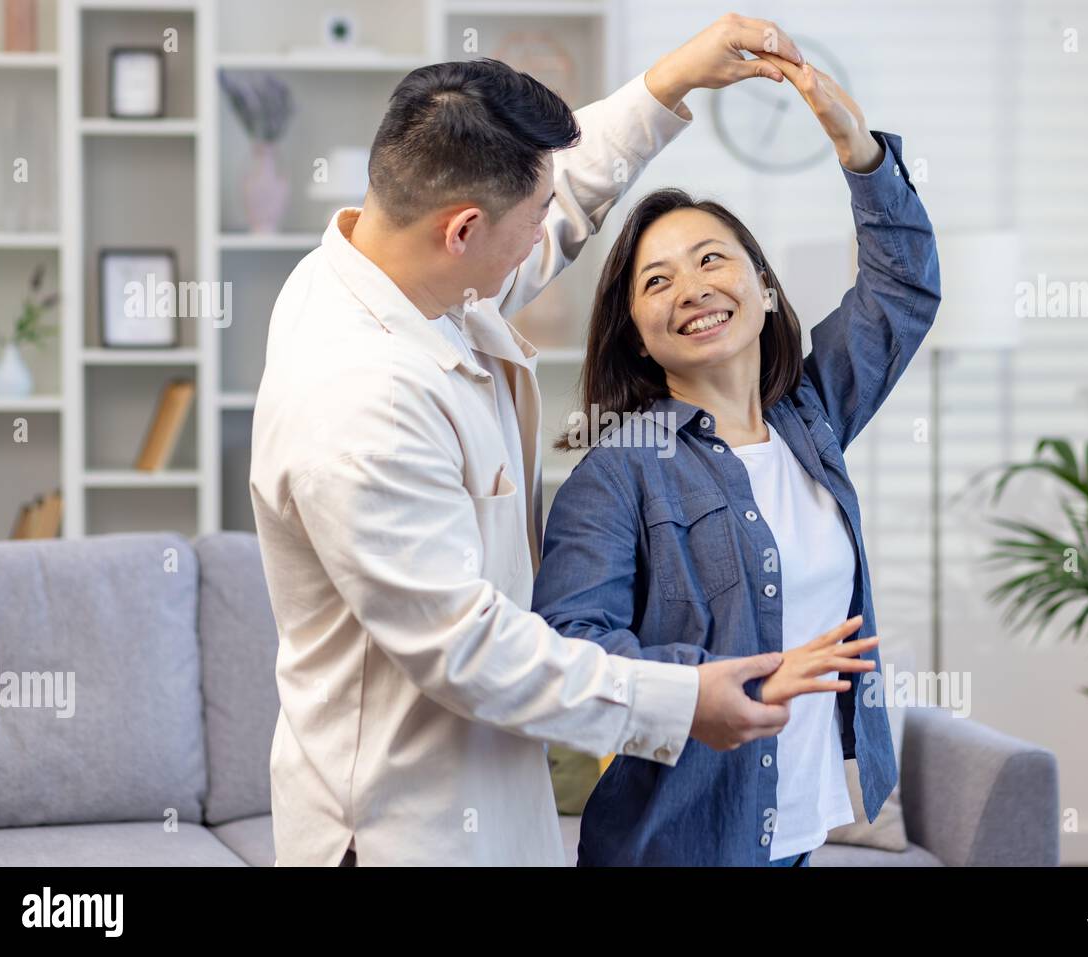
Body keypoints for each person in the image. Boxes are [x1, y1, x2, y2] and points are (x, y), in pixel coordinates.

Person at [250, 16, 848, 866]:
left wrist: (674, 78)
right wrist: (681, 700)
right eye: (533, 220)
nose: (551, 234)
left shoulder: (392, 270)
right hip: (401, 832)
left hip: (486, 795)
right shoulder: (360, 405)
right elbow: (468, 646)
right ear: (461, 229)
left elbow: (565, 191)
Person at [532, 53, 942, 865]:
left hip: (793, 833)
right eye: (656, 280)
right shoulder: (616, 474)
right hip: (679, 844)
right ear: (637, 335)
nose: (690, 288)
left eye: (711, 259)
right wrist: (737, 678)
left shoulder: (811, 418)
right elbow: (569, 651)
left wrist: (855, 144)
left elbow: (903, 289)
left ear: (765, 290)